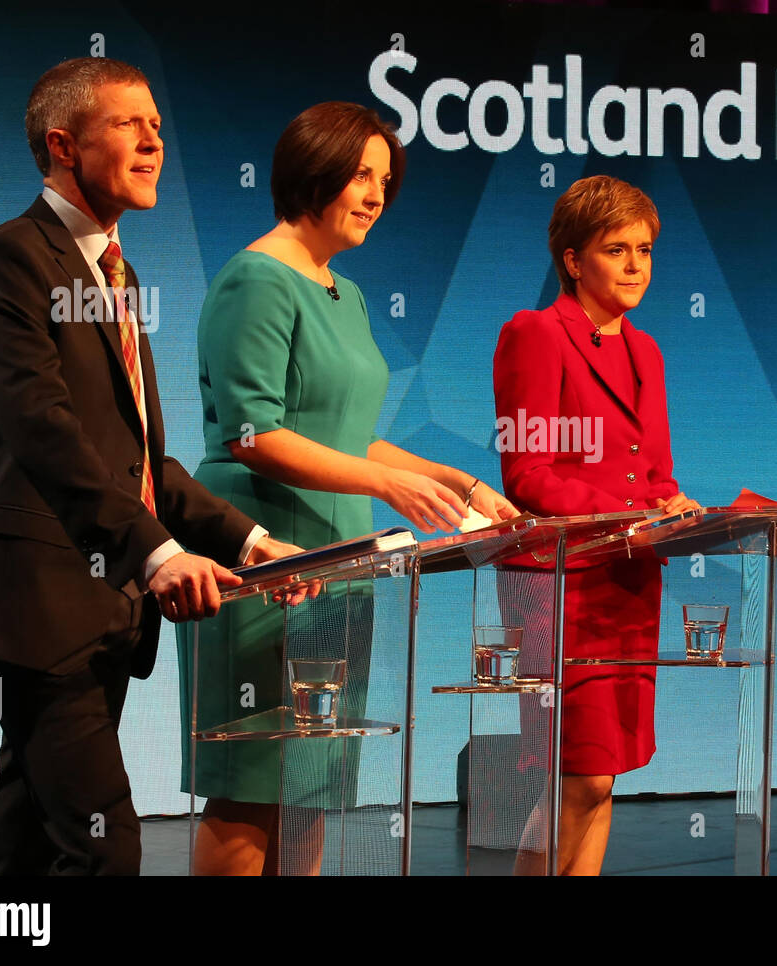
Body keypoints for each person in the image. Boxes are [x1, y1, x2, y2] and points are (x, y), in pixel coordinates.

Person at [0, 57, 301, 876]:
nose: (153, 142)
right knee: (105, 846)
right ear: (63, 144)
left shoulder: (117, 274)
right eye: (128, 125)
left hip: (102, 609)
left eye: (159, 128)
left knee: (26, 832)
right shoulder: (8, 261)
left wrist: (247, 541)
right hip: (38, 609)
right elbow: (46, 436)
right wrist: (160, 553)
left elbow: (136, 459)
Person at [179, 101, 518, 876]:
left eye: (384, 179)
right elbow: (254, 433)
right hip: (259, 548)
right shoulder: (255, 280)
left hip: (339, 553)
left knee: (315, 779)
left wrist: (454, 480)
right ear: (313, 172)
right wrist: (388, 484)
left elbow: (345, 432)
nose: (375, 193)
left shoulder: (347, 292)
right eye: (361, 174)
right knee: (252, 783)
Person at [493, 175, 698, 875]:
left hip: (630, 580)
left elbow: (657, 475)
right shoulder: (535, 333)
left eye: (645, 249)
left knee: (604, 777)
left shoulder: (648, 352)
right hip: (560, 581)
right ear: (574, 259)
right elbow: (527, 473)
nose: (637, 264)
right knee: (578, 774)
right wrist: (629, 516)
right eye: (618, 249)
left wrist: (674, 507)